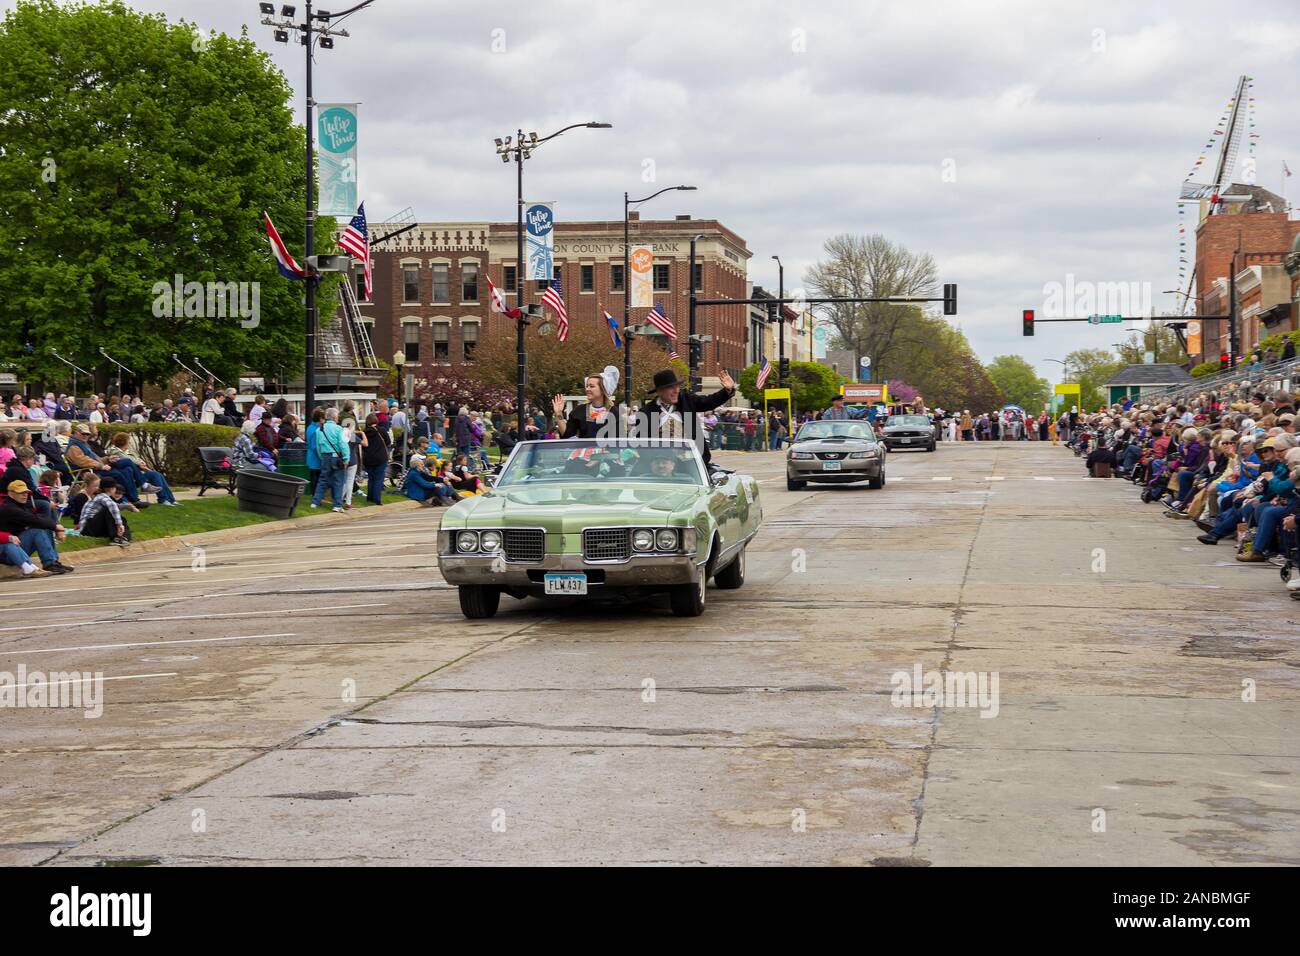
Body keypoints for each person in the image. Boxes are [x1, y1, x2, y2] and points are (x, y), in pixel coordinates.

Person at [0, 479, 73, 573]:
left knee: (43, 528)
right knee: (36, 530)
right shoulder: (8, 508)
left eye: (26, 492)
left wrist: (55, 526)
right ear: (11, 494)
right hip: (8, 552)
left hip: (16, 546)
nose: (25, 495)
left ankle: (53, 562)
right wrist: (56, 527)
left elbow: (36, 519)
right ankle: (49, 563)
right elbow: (32, 519)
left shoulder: (19, 506)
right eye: (20, 492)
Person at [554, 366, 621, 439]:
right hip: (584, 450)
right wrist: (558, 413)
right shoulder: (579, 411)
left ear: (603, 389)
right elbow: (566, 434)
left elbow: (618, 441)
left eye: (591, 386)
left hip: (606, 450)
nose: (587, 389)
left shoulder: (614, 412)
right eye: (587, 386)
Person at [310, 407, 350, 512]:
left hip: (324, 456)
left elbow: (318, 446)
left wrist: (321, 456)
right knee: (338, 481)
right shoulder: (339, 429)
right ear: (335, 417)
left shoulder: (319, 429)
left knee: (322, 480)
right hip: (336, 457)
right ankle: (337, 505)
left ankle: (315, 502)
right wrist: (346, 458)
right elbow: (343, 444)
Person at [75, 475, 131, 545]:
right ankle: (116, 537)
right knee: (108, 510)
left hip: (92, 527)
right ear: (112, 489)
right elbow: (113, 506)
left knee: (122, 518)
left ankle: (124, 538)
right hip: (87, 529)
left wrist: (120, 521)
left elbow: (115, 508)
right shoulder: (102, 497)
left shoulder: (100, 496)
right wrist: (119, 524)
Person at [362, 413, 390, 506]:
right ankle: (377, 499)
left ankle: (369, 497)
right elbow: (388, 442)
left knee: (371, 478)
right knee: (378, 479)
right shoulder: (382, 430)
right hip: (380, 458)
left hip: (368, 458)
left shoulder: (364, 432)